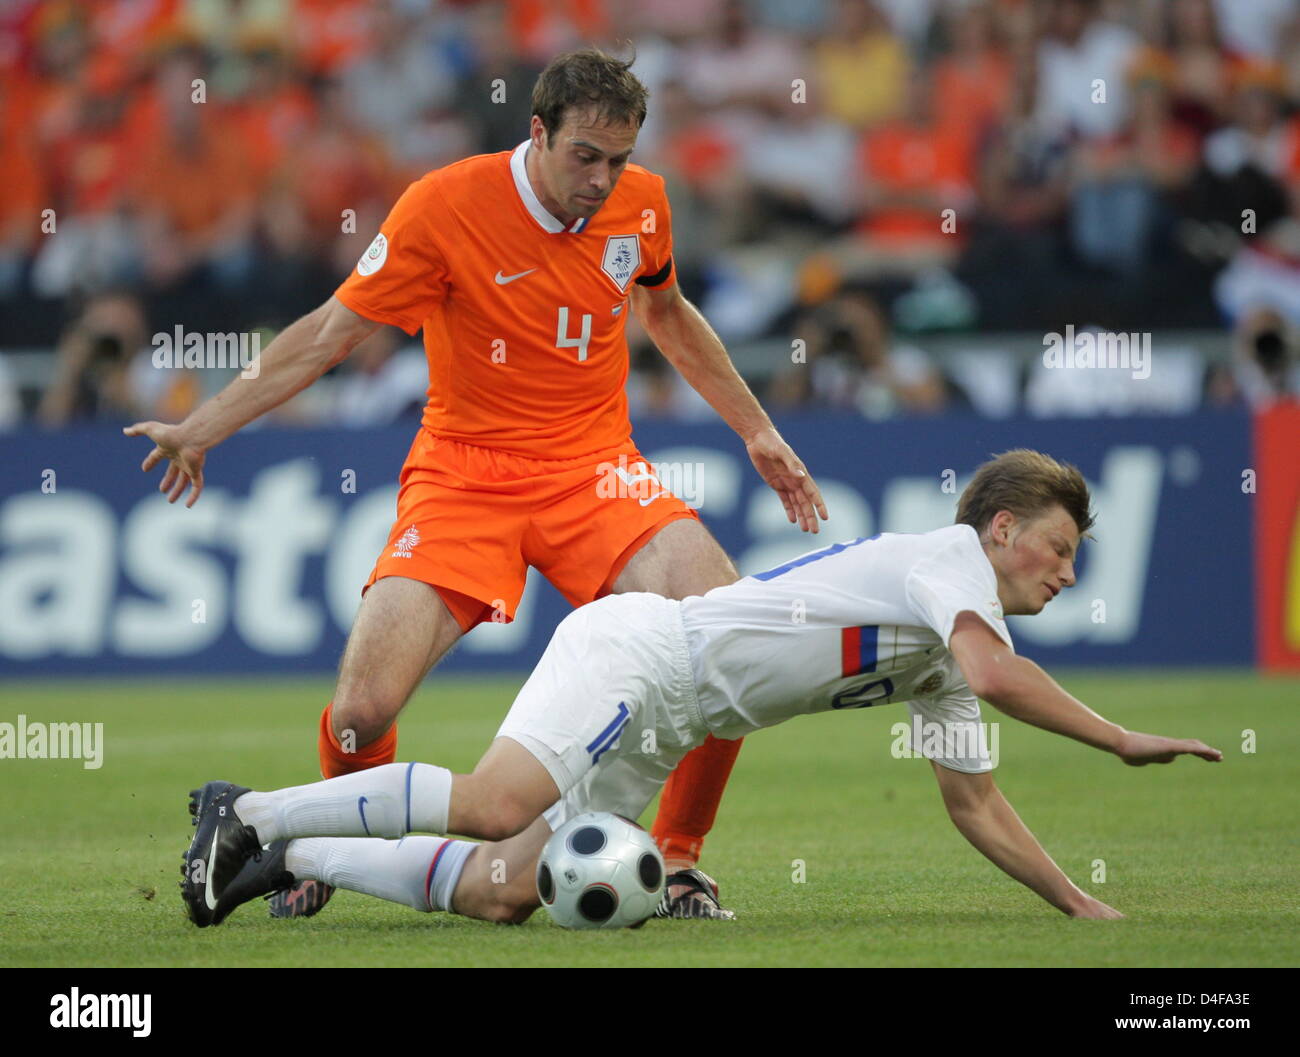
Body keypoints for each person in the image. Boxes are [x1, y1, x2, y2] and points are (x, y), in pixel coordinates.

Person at [127, 47, 827, 920]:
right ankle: (322, 848)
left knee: (728, 635)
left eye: (619, 160)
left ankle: (680, 859)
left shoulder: (642, 204)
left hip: (595, 468)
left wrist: (756, 427)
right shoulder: (445, 205)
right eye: (585, 157)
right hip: (467, 475)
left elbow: (667, 312)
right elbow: (329, 334)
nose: (604, 180)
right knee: (360, 709)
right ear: (538, 133)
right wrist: (203, 427)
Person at [180, 450, 1221, 928]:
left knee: (504, 892)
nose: (1067, 570)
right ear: (1000, 528)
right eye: (1058, 546)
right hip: (642, 655)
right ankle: (248, 810)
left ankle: (291, 855)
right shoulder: (947, 556)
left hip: (673, 721)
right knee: (495, 800)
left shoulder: (948, 649)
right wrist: (1119, 737)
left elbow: (974, 802)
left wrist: (1076, 904)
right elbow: (1003, 675)